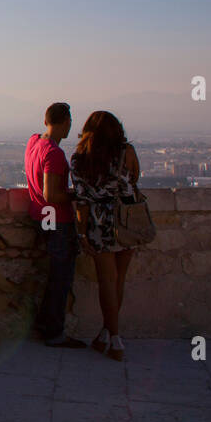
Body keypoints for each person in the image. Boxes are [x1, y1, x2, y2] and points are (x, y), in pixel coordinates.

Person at [70, 111, 140, 362]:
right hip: (127, 221)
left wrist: (81, 233)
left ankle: (113, 337)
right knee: (119, 280)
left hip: (99, 224)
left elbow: (82, 201)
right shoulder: (127, 152)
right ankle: (109, 335)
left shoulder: (79, 159)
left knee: (107, 282)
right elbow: (134, 179)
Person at [24, 102, 85, 347]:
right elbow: (51, 195)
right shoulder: (54, 154)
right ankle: (53, 332)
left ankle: (44, 324)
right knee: (61, 277)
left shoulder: (33, 141)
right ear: (65, 121)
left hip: (39, 215)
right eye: (70, 120)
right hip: (57, 219)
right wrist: (77, 195)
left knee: (53, 275)